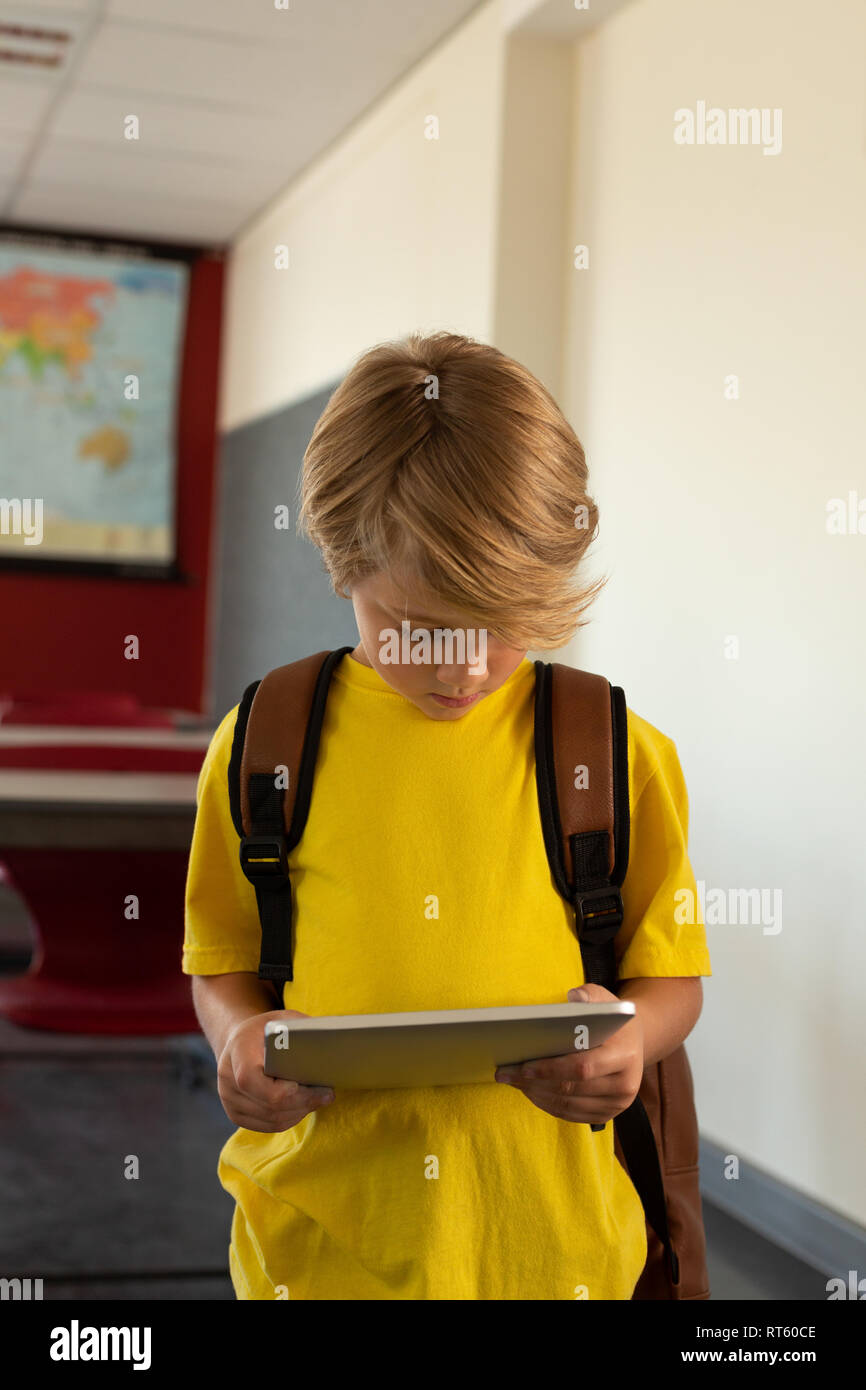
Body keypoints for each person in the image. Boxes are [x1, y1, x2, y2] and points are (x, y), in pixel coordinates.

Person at [182, 331, 712, 1300]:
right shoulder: (265, 744)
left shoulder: (609, 747)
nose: (459, 668)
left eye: (495, 623)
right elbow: (221, 963)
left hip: (557, 1257)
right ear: (342, 564)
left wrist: (633, 1038)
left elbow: (669, 974)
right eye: (412, 627)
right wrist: (234, 1040)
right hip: (319, 1254)